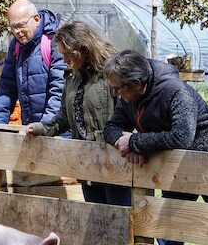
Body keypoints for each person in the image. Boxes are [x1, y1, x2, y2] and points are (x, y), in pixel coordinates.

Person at [102, 50, 208, 245]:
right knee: (167, 225)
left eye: (117, 89)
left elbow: (181, 137)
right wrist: (124, 144)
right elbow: (111, 127)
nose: (115, 94)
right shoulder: (129, 97)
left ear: (136, 84)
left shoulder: (175, 92)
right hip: (177, 166)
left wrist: (135, 141)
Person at [24, 20, 131, 206]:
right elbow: (65, 116)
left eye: (66, 54)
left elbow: (129, 112)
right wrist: (42, 128)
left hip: (113, 161)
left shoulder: (112, 72)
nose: (64, 59)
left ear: (81, 48)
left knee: (121, 219)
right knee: (98, 219)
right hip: (86, 161)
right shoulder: (72, 76)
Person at [0, 0, 66, 127]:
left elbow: (59, 92)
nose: (17, 31)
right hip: (31, 129)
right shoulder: (16, 46)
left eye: (21, 25)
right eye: (13, 27)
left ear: (36, 19)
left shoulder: (55, 42)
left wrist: (45, 128)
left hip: (57, 130)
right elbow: (6, 88)